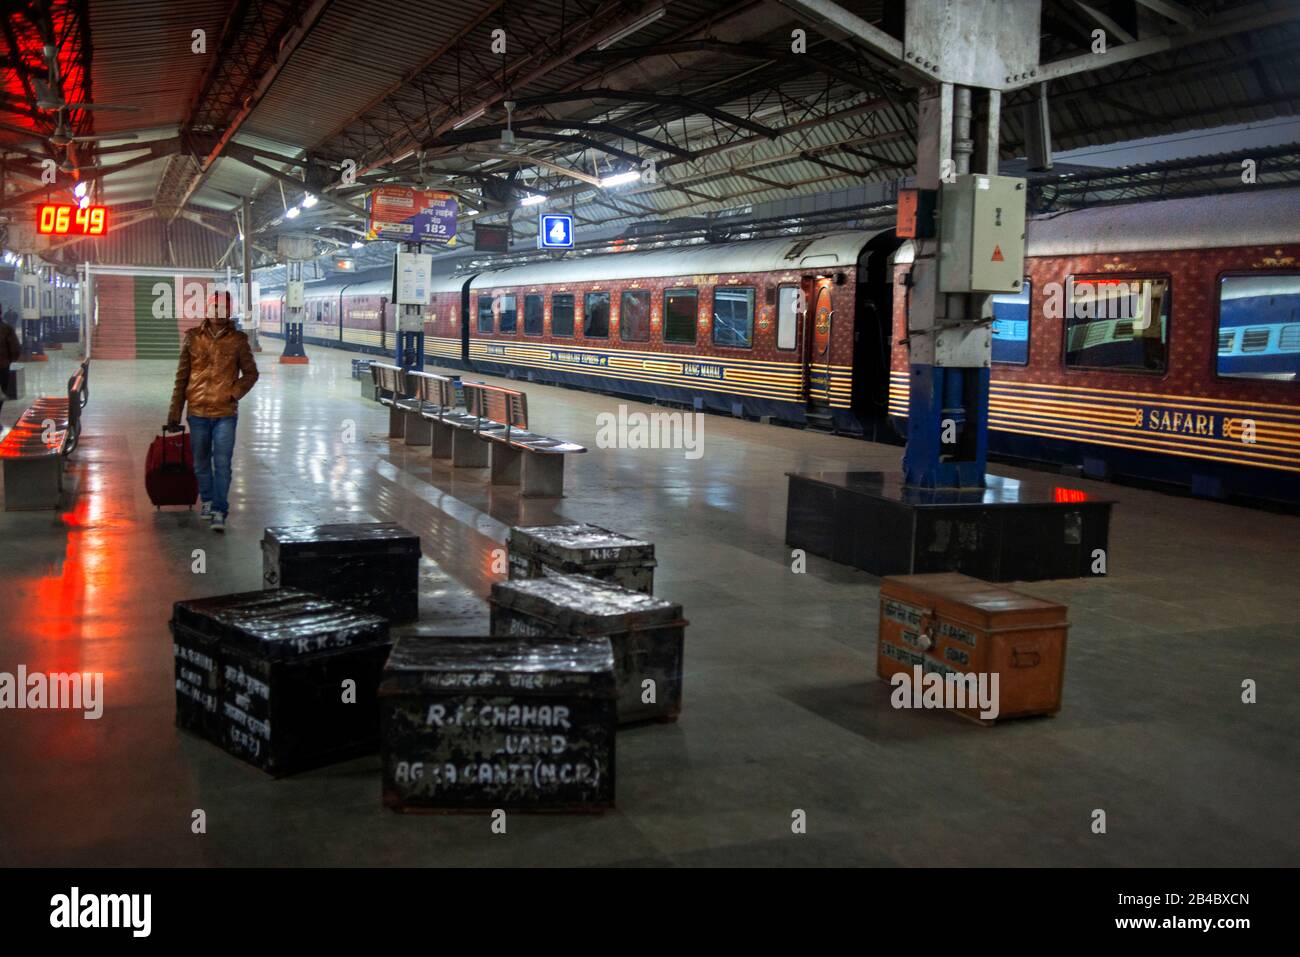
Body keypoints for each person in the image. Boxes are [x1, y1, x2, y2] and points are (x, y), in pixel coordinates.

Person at [167, 291, 259, 531]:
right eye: (214, 308)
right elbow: (182, 378)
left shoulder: (238, 340)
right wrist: (175, 413)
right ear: (207, 310)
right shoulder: (192, 338)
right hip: (197, 411)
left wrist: (233, 393)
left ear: (229, 312)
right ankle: (207, 501)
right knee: (200, 462)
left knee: (222, 462)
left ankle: (220, 508)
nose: (219, 313)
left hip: (225, 413)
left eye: (223, 308)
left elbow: (251, 373)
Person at [0, 308, 20, 422]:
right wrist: (9, 360)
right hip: (3, 367)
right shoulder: (6, 329)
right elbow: (15, 349)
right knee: (2, 393)